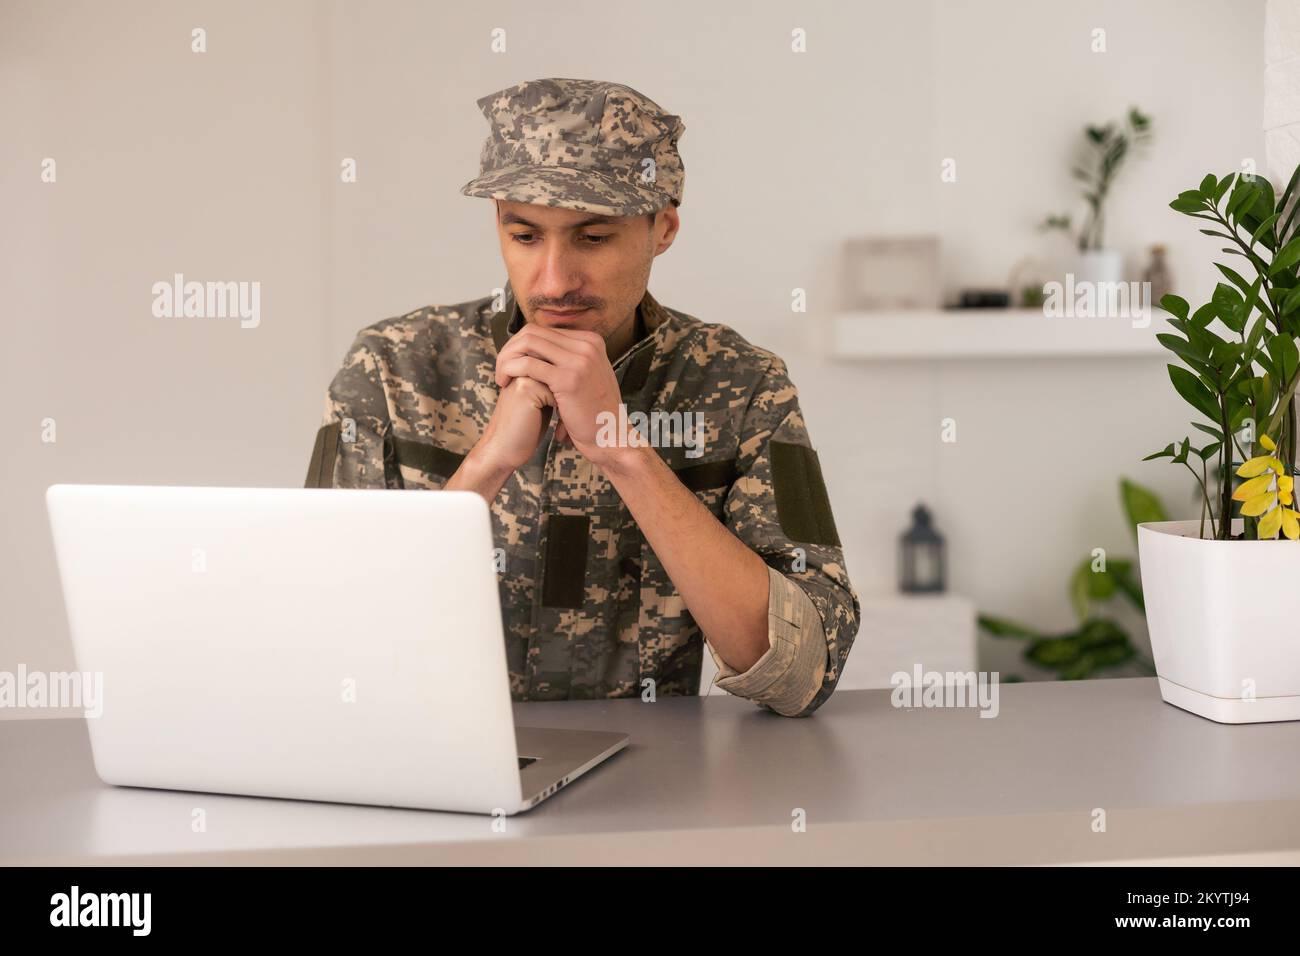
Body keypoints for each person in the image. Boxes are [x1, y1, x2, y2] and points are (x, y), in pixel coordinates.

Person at [305, 77, 860, 717]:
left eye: (593, 238)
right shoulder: (390, 367)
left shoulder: (741, 384)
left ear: (664, 228)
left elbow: (802, 674)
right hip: (428, 769)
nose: (554, 280)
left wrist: (624, 454)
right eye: (525, 235)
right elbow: (325, 637)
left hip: (656, 788)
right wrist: (486, 465)